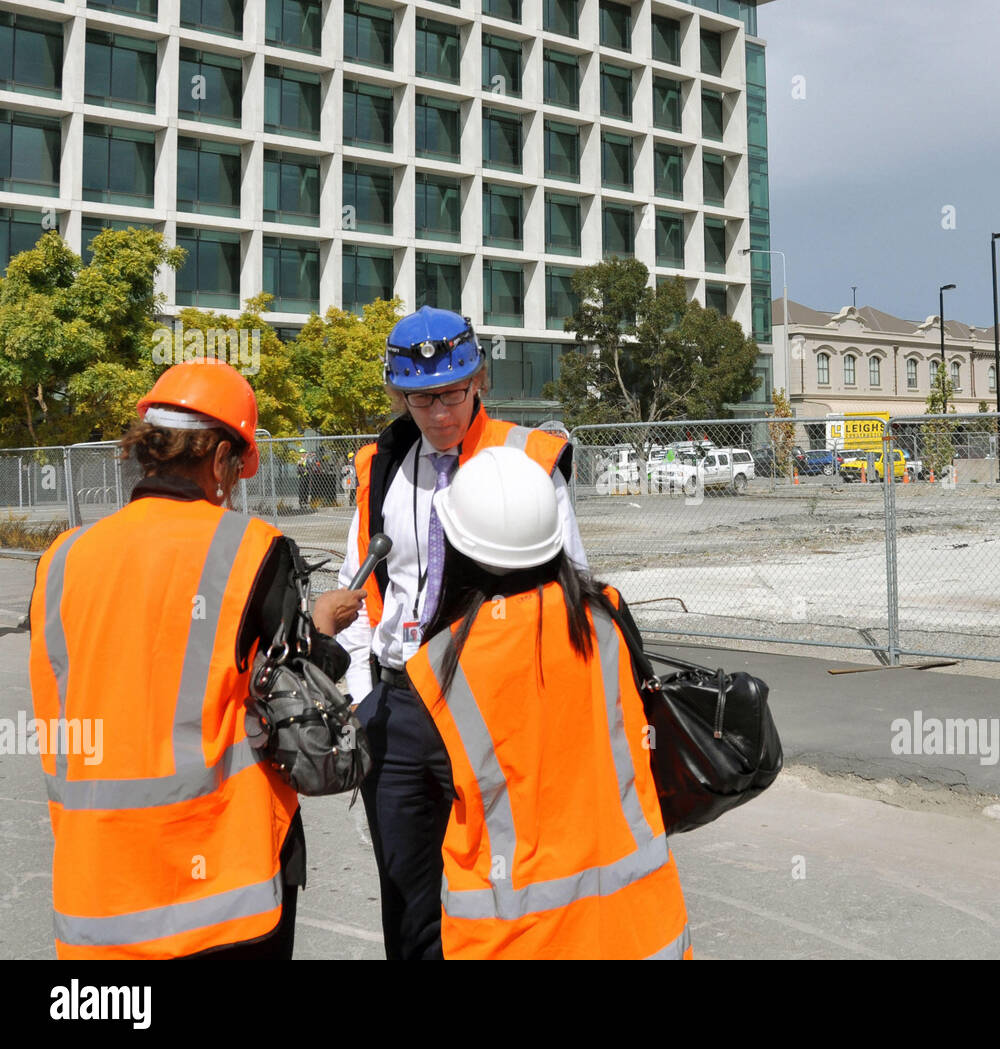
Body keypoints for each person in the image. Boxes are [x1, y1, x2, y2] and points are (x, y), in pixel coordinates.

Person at [27, 360, 365, 960]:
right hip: (223, 883)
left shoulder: (61, 560)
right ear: (218, 462)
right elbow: (302, 694)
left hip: (97, 879)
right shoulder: (252, 549)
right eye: (236, 469)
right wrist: (324, 630)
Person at [336, 305, 587, 959]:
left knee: (502, 888)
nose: (439, 411)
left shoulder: (525, 461)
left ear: (478, 380)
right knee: (407, 897)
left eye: (450, 393)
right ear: (400, 397)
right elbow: (361, 583)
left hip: (492, 710)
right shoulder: (384, 466)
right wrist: (366, 691)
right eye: (421, 399)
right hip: (398, 708)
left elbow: (573, 594)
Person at [406, 447, 691, 959]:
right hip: (644, 928)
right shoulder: (607, 617)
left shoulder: (438, 668)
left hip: (518, 941)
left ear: (456, 546)